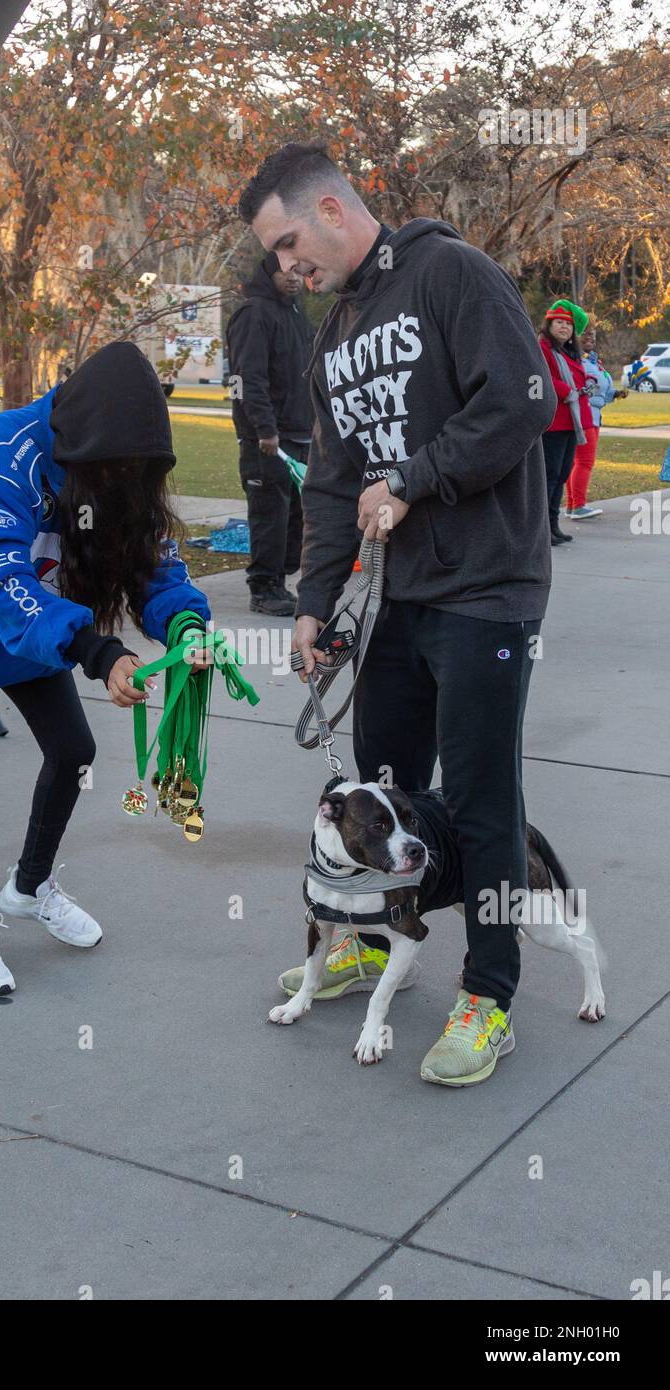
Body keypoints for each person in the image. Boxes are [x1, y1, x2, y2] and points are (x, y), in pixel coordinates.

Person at [238, 141, 556, 1087]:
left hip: (488, 591)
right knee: (387, 791)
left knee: (482, 806)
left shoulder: (452, 273)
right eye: (276, 257)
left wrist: (414, 479)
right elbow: (335, 486)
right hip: (394, 603)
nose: (286, 268)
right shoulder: (334, 336)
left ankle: (488, 995)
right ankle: (375, 946)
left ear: (333, 209)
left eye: (291, 242)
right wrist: (312, 608)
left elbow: (521, 401)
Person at [0, 343, 211, 996]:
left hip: (20, 622)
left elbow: (155, 567)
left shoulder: (115, 468)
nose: (125, 484)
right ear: (85, 447)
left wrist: (187, 624)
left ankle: (27, 886)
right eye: (117, 472)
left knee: (74, 748)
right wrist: (100, 654)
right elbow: (5, 583)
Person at [225, 250, 314, 615]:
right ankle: (263, 589)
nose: (293, 277)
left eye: (298, 270)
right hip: (267, 441)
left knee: (295, 517)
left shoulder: (292, 314)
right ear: (268, 272)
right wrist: (265, 429)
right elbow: (247, 379)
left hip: (300, 435)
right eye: (285, 271)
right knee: (269, 516)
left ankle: (279, 579)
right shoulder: (255, 313)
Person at [538, 299, 592, 545]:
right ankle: (543, 529)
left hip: (571, 422)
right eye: (559, 323)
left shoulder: (567, 352)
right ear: (549, 324)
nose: (564, 328)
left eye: (568, 325)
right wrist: (567, 391)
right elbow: (543, 377)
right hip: (554, 423)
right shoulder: (543, 348)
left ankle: (554, 524)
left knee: (560, 476)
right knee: (549, 476)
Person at [565, 323, 623, 521]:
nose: (591, 338)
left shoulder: (593, 361)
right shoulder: (577, 361)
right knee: (584, 461)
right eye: (586, 334)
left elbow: (600, 388)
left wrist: (615, 393)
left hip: (594, 415)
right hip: (583, 415)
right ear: (575, 337)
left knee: (576, 461)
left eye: (594, 335)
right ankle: (578, 506)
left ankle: (572, 506)